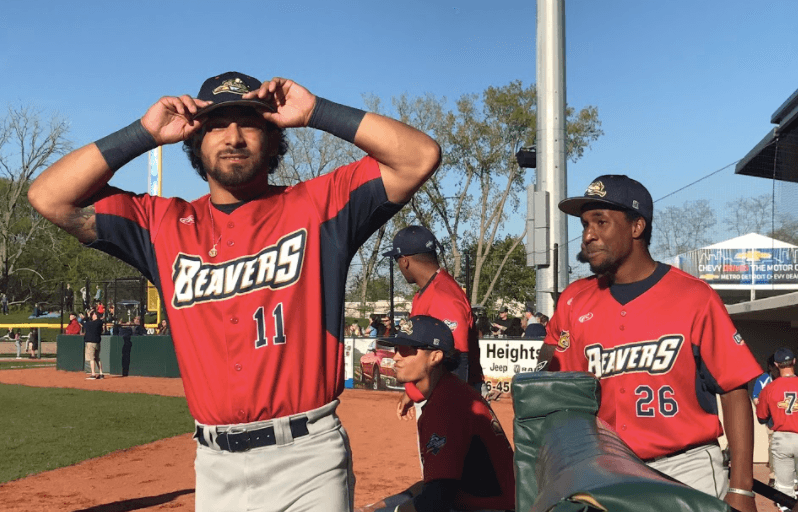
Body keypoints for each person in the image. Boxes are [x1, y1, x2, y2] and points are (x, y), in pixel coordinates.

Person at [28, 71, 439, 512]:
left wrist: (317, 111)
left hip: (308, 457)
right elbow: (50, 197)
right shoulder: (161, 225)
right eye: (217, 125)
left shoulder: (318, 206)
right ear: (194, 139)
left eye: (250, 122)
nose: (234, 137)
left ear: (273, 135)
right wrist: (142, 134)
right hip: (214, 462)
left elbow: (419, 156)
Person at [540, 175, 761, 511]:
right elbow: (551, 375)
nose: (588, 235)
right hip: (604, 469)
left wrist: (742, 488)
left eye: (601, 222)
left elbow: (733, 389)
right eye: (585, 224)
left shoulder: (693, 296)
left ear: (636, 226)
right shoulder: (574, 300)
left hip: (685, 468)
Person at [356, 315, 515, 512]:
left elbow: (436, 499)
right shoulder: (450, 392)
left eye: (407, 350)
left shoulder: (445, 406)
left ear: (435, 356)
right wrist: (380, 505)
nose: (396, 357)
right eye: (397, 349)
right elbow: (438, 483)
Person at [383, 225, 483, 389]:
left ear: (404, 261)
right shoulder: (425, 292)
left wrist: (446, 407)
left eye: (397, 261)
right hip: (434, 390)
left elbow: (457, 360)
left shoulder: (443, 296)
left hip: (453, 393)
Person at [756, 348, 798, 511]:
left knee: (784, 488)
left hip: (782, 438)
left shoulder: (770, 388)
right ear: (793, 362)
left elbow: (761, 418)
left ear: (776, 364)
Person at [83, 309, 105, 380]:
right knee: (97, 358)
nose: (92, 316)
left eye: (93, 315)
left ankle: (93, 374)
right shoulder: (100, 322)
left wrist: (86, 317)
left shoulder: (93, 323)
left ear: (95, 315)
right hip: (97, 342)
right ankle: (101, 373)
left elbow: (85, 324)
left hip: (91, 342)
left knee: (91, 358)